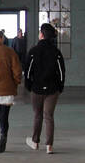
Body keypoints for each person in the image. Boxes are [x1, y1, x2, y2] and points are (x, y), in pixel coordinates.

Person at [23, 23, 65, 154]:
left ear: (41, 34)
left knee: (37, 115)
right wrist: (60, 87)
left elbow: (27, 71)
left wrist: (29, 86)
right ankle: (49, 146)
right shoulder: (56, 52)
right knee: (49, 116)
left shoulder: (33, 51)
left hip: (37, 88)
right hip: (52, 90)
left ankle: (35, 142)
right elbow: (61, 72)